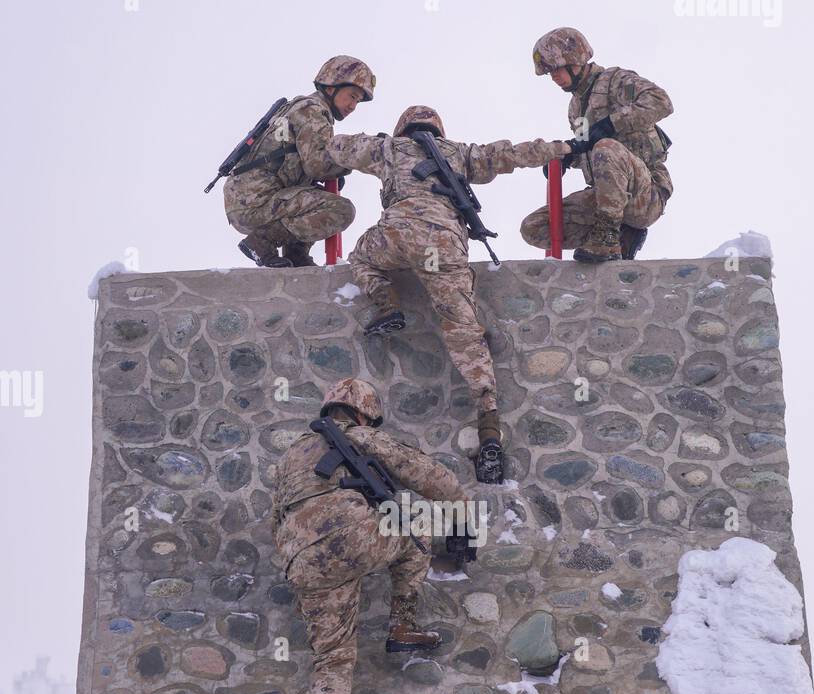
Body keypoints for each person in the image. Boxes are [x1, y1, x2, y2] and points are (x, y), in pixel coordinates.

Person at [325, 107, 573, 484]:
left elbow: (337, 147)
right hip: (443, 244)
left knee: (361, 257)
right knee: (466, 336)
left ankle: (386, 302)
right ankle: (489, 429)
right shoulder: (462, 153)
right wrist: (559, 148)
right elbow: (509, 154)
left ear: (402, 127)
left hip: (396, 236)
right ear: (438, 129)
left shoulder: (386, 149)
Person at [271, 377, 474, 694]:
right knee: (415, 524)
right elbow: (431, 478)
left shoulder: (290, 456)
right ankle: (402, 622)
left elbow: (277, 517)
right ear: (362, 413)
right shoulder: (360, 437)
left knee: (332, 658)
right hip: (353, 536)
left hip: (303, 561)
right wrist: (463, 516)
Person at [521, 27, 673, 263]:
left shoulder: (614, 81)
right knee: (535, 227)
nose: (554, 78)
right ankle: (617, 235)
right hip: (604, 196)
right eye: (549, 73)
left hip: (645, 193)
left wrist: (612, 123)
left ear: (575, 60)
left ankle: (608, 238)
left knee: (606, 147)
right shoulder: (575, 108)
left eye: (556, 69)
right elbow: (587, 146)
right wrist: (569, 158)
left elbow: (661, 102)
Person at [223, 56, 375, 267]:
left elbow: (303, 165)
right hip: (257, 200)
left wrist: (333, 171)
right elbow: (318, 165)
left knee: (317, 195)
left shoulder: (302, 107)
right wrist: (362, 154)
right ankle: (261, 242)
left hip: (249, 199)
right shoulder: (312, 109)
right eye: (352, 96)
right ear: (331, 88)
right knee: (340, 210)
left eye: (357, 101)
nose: (353, 106)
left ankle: (296, 254)